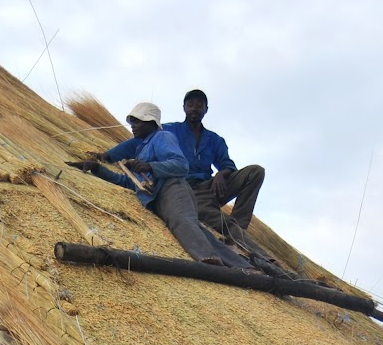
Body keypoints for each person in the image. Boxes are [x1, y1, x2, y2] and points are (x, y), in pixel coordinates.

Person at [72, 102, 250, 268]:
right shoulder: (142, 149)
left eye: (137, 122)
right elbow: (128, 182)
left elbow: (181, 165)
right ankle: (242, 265)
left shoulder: (162, 137)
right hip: (156, 198)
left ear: (151, 122)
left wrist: (151, 166)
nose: (133, 126)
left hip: (172, 188)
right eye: (132, 122)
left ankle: (209, 260)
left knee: (181, 221)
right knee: (198, 230)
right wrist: (97, 168)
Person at [164, 89, 266, 237]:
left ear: (206, 110)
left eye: (199, 105)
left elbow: (228, 165)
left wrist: (221, 174)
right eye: (190, 104)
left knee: (256, 172)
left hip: (210, 187)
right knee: (206, 213)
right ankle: (232, 232)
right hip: (184, 188)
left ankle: (238, 224)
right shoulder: (169, 130)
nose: (194, 108)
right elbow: (149, 141)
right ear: (184, 107)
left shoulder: (214, 139)